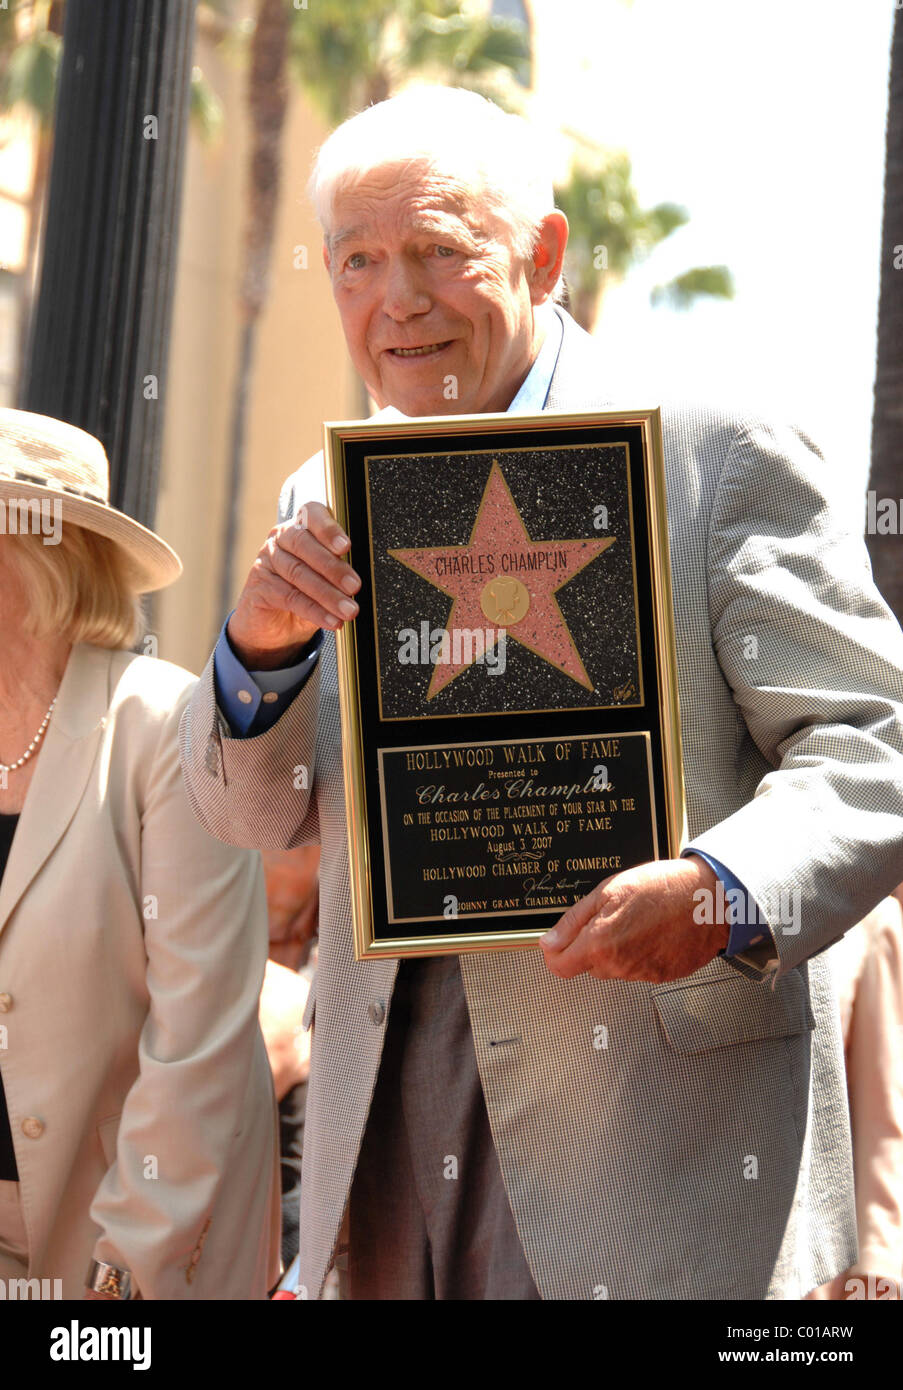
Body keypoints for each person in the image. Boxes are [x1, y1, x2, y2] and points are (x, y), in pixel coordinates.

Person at [179, 87, 903, 1300]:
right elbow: (255, 817)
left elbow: (874, 745)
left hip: (650, 1141)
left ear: (546, 253)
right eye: (356, 261)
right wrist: (258, 649)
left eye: (439, 253)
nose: (394, 299)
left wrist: (722, 892)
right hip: (389, 1128)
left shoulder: (717, 448)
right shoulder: (326, 488)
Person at [0, 408, 281, 1299]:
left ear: (38, 555)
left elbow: (198, 1042)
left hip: (115, 1250)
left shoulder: (166, 725)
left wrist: (126, 1270)